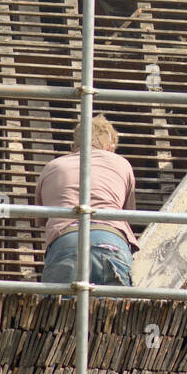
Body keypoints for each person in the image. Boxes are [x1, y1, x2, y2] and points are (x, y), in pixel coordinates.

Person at [35, 114, 137, 286]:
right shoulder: (122, 164)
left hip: (66, 242)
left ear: (73, 146)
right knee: (114, 311)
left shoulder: (52, 167)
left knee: (60, 311)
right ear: (110, 147)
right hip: (110, 242)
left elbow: (41, 220)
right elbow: (128, 215)